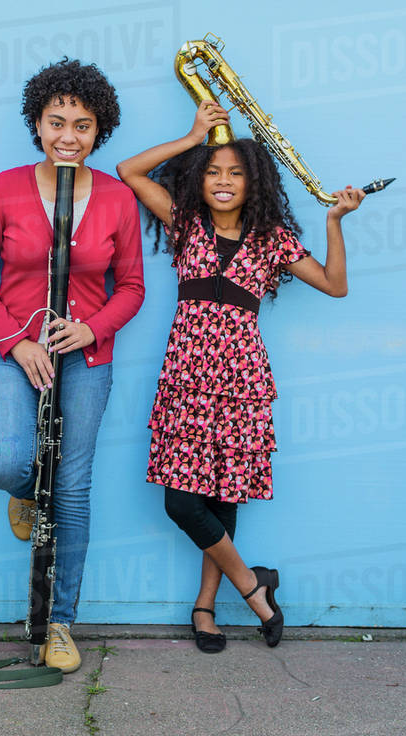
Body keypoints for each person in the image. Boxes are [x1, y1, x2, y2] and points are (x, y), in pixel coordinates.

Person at [116, 100, 365, 652]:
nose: (224, 181)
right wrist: (193, 135)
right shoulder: (185, 224)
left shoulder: (271, 239)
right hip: (188, 376)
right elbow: (128, 171)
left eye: (236, 173)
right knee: (183, 501)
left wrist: (334, 221)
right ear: (198, 181)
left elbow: (334, 284)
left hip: (242, 379)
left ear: (256, 184)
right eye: (213, 171)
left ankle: (205, 609)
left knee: (221, 494)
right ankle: (254, 587)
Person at [0, 58, 145, 673]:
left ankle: (60, 623)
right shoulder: (3, 188)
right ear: (36, 124)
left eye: (83, 125)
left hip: (87, 357)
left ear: (100, 131)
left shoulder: (118, 198)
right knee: (5, 462)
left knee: (72, 487)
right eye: (56, 122)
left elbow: (133, 287)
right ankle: (26, 495)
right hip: (18, 353)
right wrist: (18, 342)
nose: (69, 136)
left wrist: (91, 327)